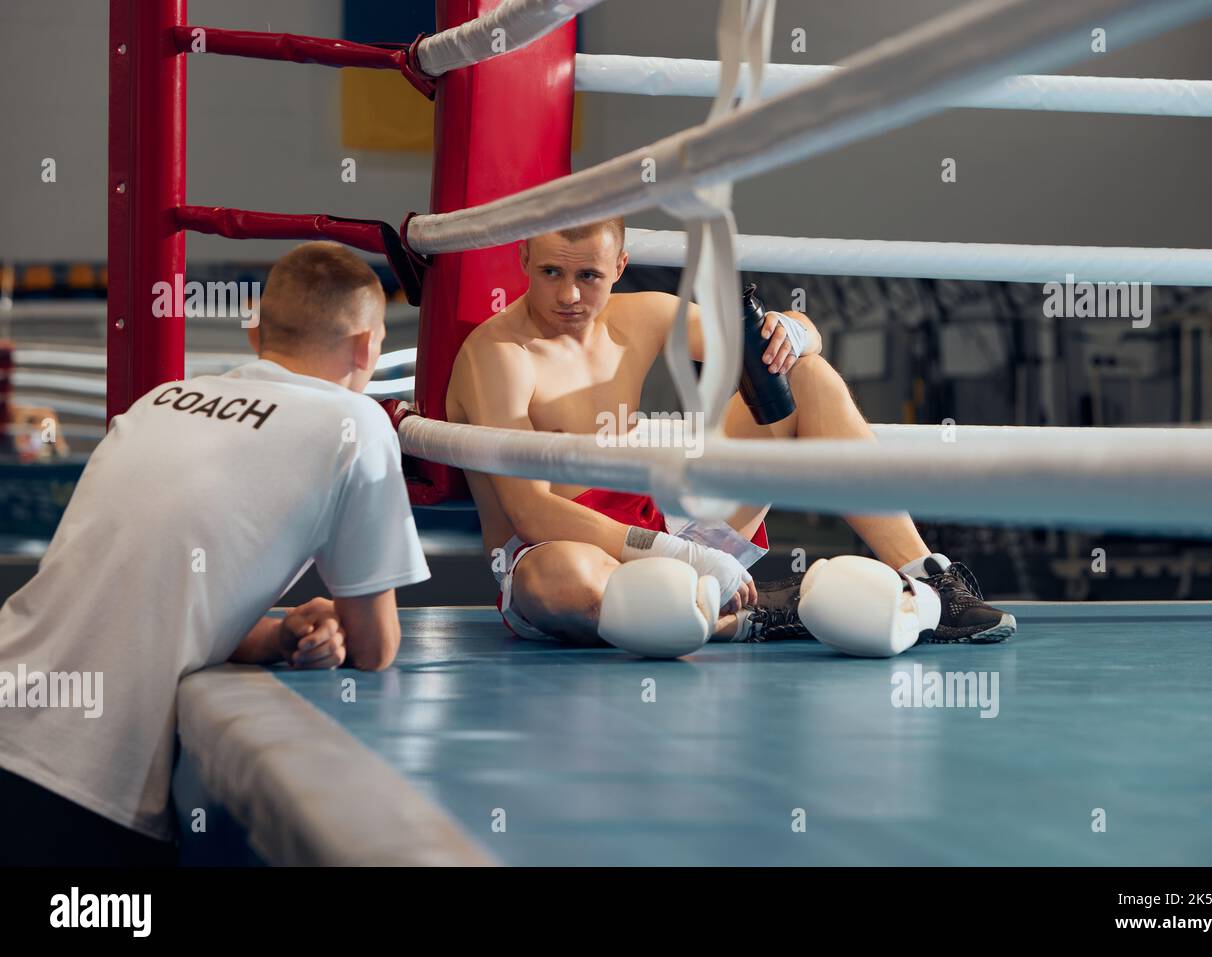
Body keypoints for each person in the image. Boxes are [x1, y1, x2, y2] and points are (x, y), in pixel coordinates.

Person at [0, 241, 430, 865]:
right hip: (78, 780)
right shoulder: (355, 424)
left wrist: (283, 637)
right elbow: (376, 647)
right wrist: (340, 622)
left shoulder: (160, 401)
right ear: (368, 347)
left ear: (256, 335)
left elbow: (160, 594)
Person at [444, 217, 1016, 647]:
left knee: (800, 375)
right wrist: (679, 557)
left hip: (669, 528)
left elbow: (770, 338)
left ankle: (928, 576)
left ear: (619, 266)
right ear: (521, 256)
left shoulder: (638, 317)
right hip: (566, 554)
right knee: (565, 579)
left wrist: (795, 332)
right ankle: (734, 620)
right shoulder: (500, 356)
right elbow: (530, 512)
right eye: (551, 272)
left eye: (588, 276)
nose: (569, 295)